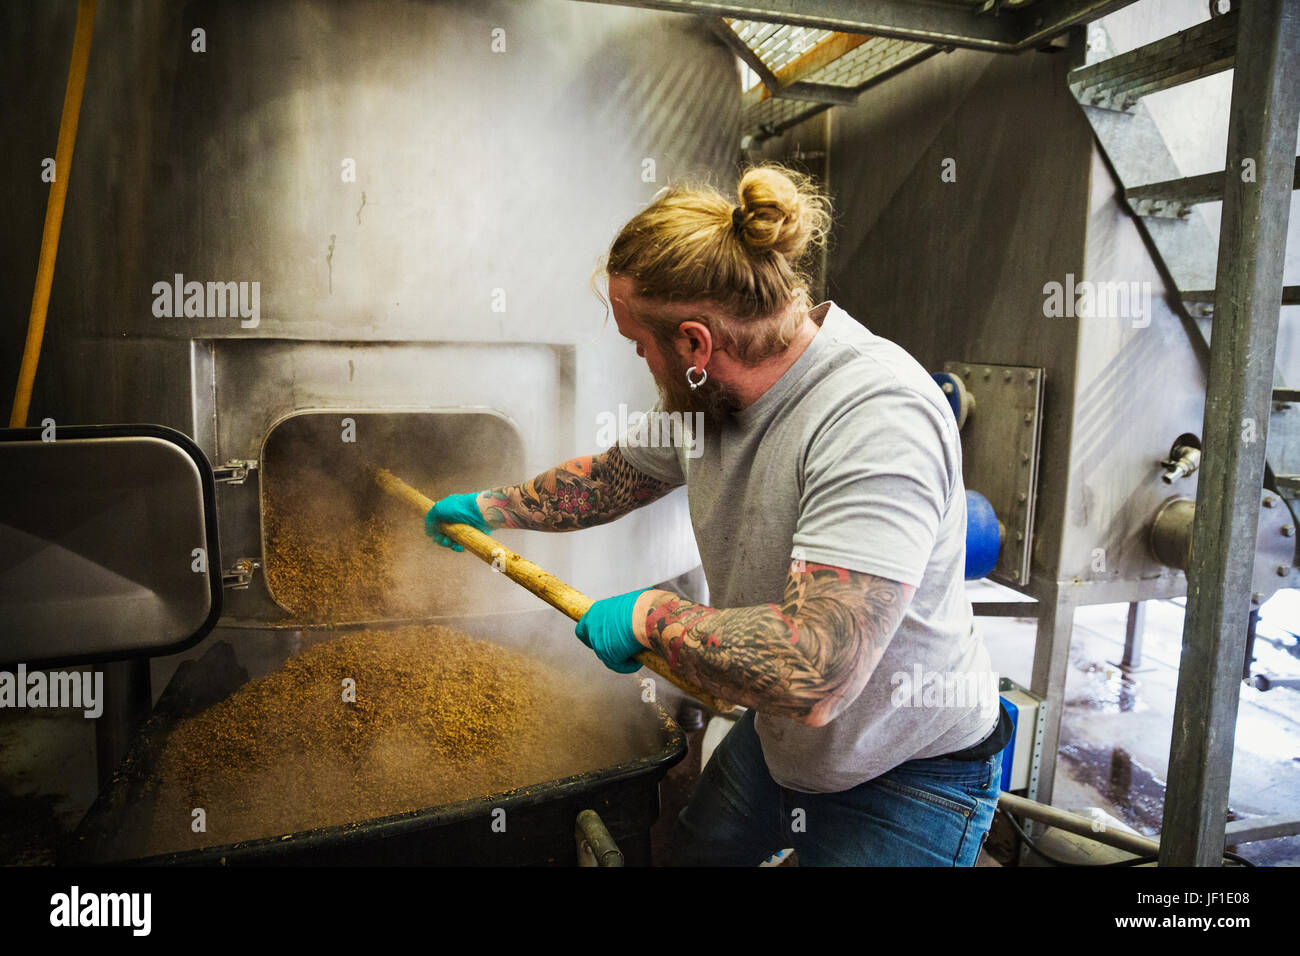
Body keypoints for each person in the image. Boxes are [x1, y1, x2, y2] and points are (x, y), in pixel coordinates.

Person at [426, 164, 1008, 866]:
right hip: (782, 745)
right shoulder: (707, 403)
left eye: (640, 345)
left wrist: (650, 618)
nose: (643, 361)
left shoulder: (876, 417)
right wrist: (491, 508)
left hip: (904, 768)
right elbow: (611, 480)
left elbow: (812, 671)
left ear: (696, 345)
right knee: (699, 850)